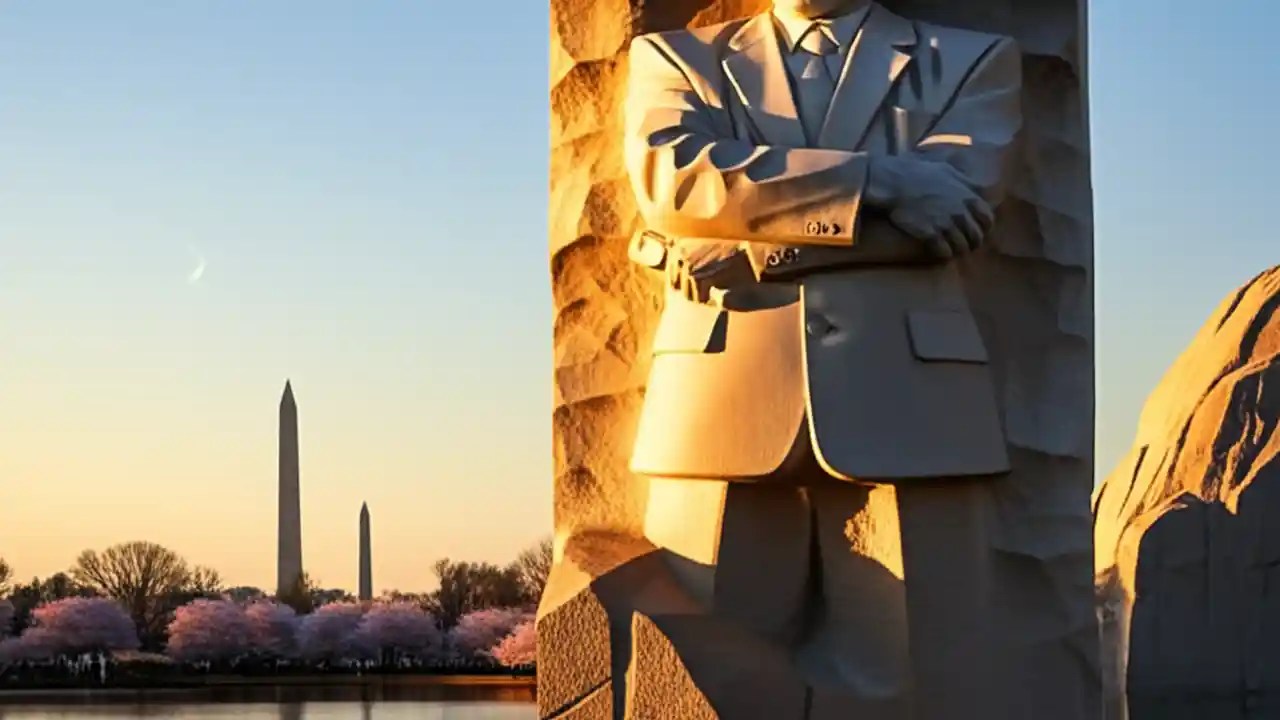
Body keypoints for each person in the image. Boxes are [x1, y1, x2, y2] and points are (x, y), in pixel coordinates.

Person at [623, 1, 1092, 717]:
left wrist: (750, 251)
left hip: (908, 398)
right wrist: (881, 183)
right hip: (718, 394)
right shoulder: (680, 59)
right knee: (703, 670)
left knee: (909, 672)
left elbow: (956, 216)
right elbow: (675, 182)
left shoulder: (969, 58)